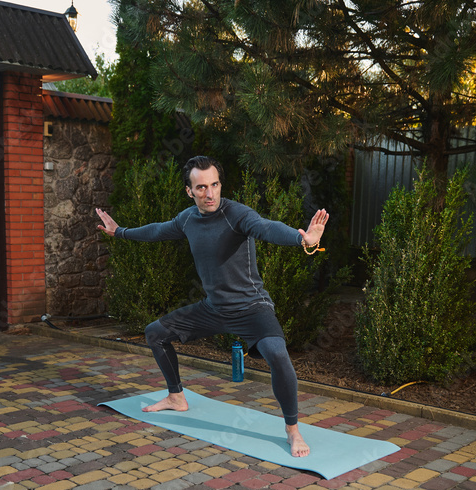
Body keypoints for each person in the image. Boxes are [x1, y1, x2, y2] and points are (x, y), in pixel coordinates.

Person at [96, 155, 328, 457]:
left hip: (252, 308)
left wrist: (304, 240)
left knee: (278, 355)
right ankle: (176, 397)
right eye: (201, 187)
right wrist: (120, 232)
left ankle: (292, 430)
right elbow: (157, 230)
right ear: (189, 191)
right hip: (214, 309)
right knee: (155, 333)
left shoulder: (237, 215)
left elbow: (266, 227)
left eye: (215, 185)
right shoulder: (188, 219)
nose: (210, 194)